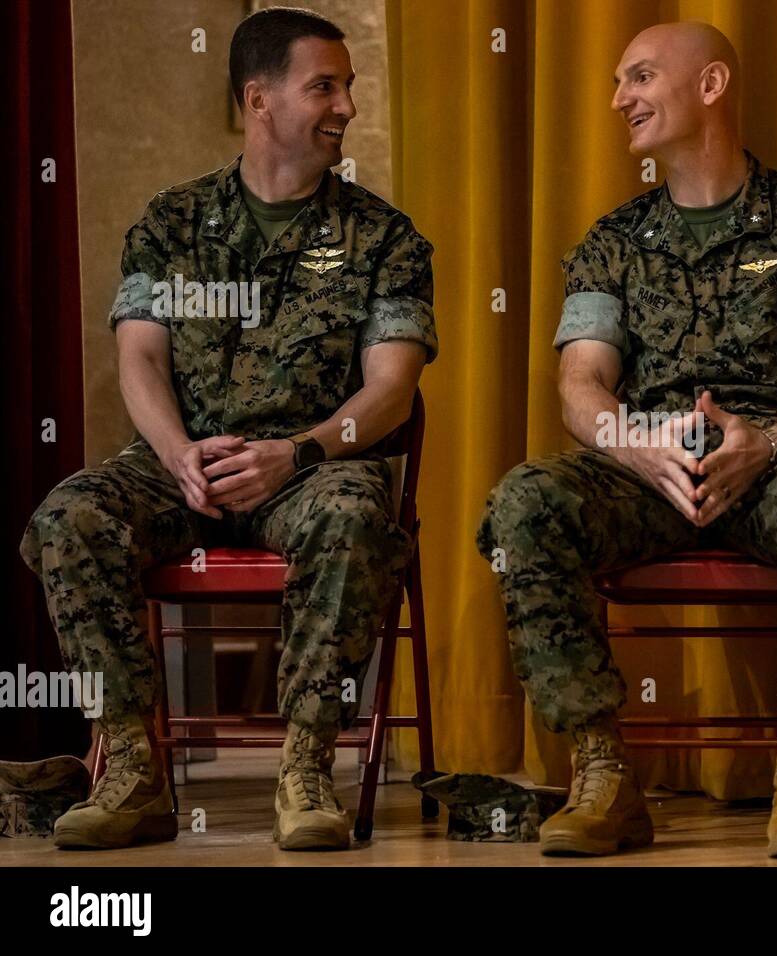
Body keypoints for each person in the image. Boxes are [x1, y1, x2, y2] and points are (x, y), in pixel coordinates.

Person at [476, 21, 777, 858]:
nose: (618, 100)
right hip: (651, 473)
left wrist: (773, 442)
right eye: (614, 82)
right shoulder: (610, 243)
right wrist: (637, 443)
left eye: (638, 78)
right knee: (524, 503)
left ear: (710, 86)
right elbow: (579, 385)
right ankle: (602, 774)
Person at [19, 6, 436, 851]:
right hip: (187, 463)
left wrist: (299, 450)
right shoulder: (172, 223)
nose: (345, 106)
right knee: (70, 516)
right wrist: (176, 455)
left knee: (359, 517)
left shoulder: (384, 237)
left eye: (347, 88)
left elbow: (390, 392)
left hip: (317, 463)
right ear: (259, 99)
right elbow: (139, 361)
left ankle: (308, 767)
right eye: (325, 86)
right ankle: (132, 769)